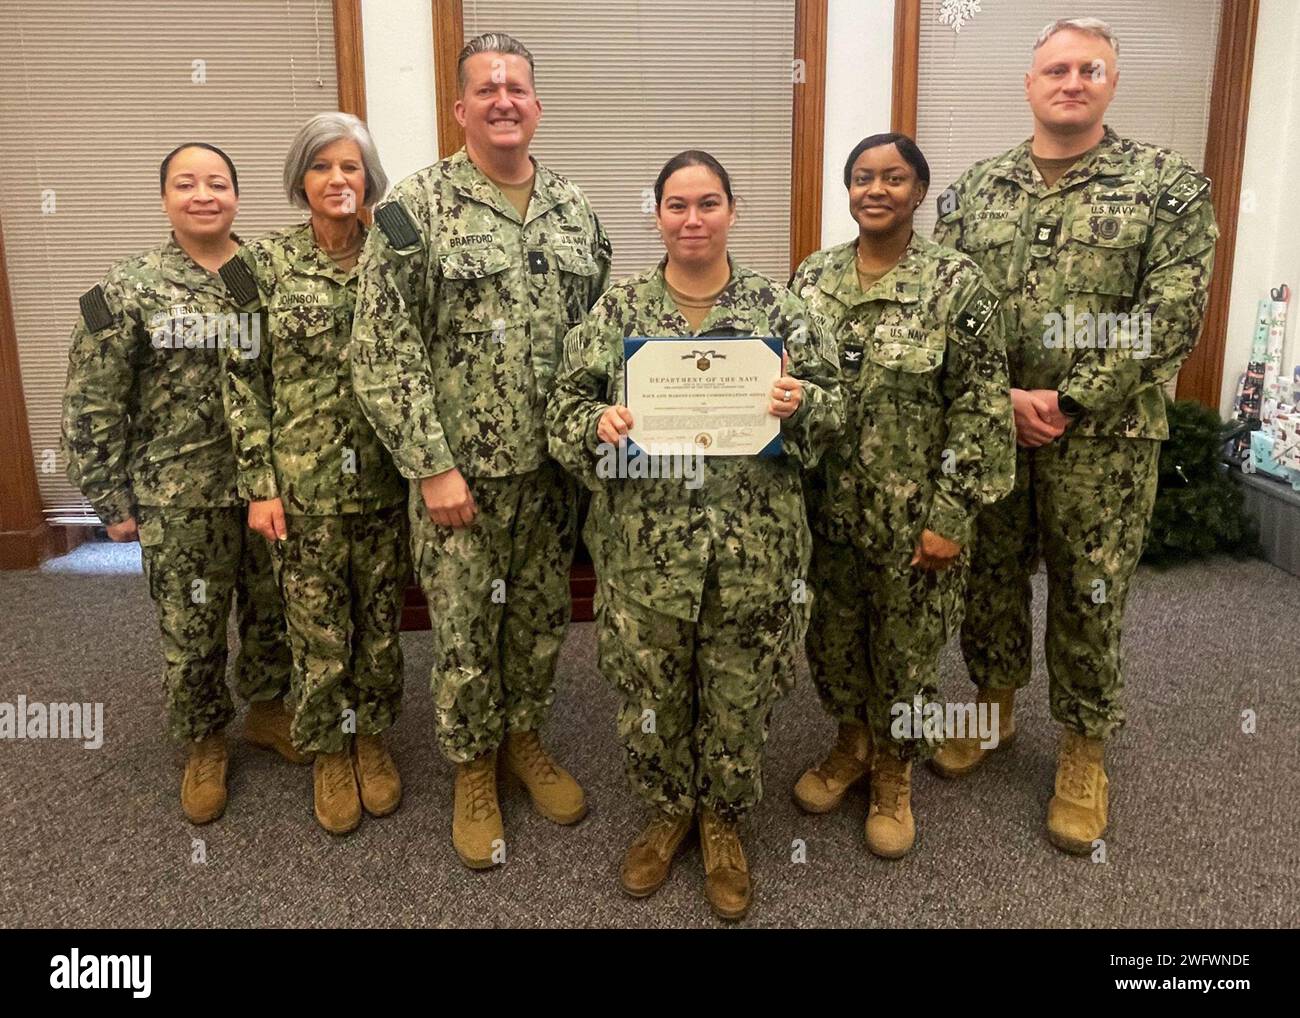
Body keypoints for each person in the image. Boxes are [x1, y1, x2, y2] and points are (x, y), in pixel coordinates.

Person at [930, 18, 1218, 853]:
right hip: (995, 430)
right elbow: (947, 304)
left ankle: (1085, 750)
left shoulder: (1167, 187)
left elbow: (1171, 313)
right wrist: (1001, 397)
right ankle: (992, 712)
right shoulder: (974, 192)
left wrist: (1067, 397)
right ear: (1029, 84)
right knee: (988, 578)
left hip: (1107, 441)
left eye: (1089, 69)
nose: (1071, 81)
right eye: (1054, 68)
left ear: (1111, 83)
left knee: (1090, 592)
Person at [548, 150, 842, 920]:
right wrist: (597, 424)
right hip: (646, 555)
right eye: (677, 205)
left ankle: (724, 823)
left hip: (755, 554)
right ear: (658, 216)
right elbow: (560, 413)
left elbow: (839, 409)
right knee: (650, 695)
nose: (692, 219)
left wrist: (799, 401)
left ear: (732, 212)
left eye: (708, 203)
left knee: (739, 697)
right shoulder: (616, 316)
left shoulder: (782, 313)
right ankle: (667, 811)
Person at [351, 33, 610, 868]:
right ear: (459, 108)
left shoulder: (576, 210)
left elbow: (603, 340)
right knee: (463, 632)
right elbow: (382, 350)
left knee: (539, 622)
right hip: (458, 478)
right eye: (486, 88)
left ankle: (523, 739)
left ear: (537, 106)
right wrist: (431, 465)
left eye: (518, 87)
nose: (504, 99)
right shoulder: (412, 210)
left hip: (554, 474)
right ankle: (471, 769)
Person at [790, 134, 1014, 858]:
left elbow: (982, 408)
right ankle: (851, 744)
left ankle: (894, 773)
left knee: (909, 654)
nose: (875, 190)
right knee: (834, 641)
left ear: (919, 192)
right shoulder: (813, 279)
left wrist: (951, 515)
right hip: (830, 517)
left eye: (893, 178)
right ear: (847, 190)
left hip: (917, 521)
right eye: (861, 178)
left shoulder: (957, 285)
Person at [61, 143, 295, 825]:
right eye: (186, 183)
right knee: (191, 628)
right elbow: (93, 400)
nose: (204, 194)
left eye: (218, 183)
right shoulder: (127, 288)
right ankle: (203, 740)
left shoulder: (268, 276)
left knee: (271, 608)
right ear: (165, 198)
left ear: (237, 196)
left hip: (265, 486)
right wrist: (111, 500)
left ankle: (269, 710)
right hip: (177, 493)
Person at [220, 113, 407, 836]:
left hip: (387, 482)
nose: (338, 179)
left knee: (381, 621)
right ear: (301, 179)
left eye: (352, 167)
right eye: (323, 166)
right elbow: (241, 380)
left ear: (369, 180)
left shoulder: (394, 255)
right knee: (318, 627)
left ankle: (373, 737)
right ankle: (330, 747)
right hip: (303, 488)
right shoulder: (259, 267)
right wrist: (259, 484)